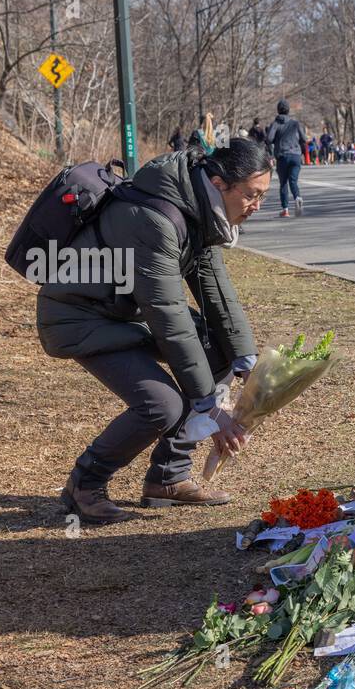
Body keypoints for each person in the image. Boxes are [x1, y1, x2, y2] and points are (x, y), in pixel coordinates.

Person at [36, 138, 273, 523]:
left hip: (124, 312)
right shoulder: (154, 217)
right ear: (219, 184)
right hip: (79, 316)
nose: (256, 206)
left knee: (220, 352)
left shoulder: (198, 207)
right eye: (251, 195)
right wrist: (210, 408)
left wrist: (246, 359)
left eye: (262, 196)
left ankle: (168, 479)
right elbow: (168, 313)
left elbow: (216, 291)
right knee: (162, 406)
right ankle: (85, 484)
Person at [264, 98, 308, 217]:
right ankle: (297, 197)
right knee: (293, 181)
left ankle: (285, 210)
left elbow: (268, 139)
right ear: (288, 110)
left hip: (282, 156)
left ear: (278, 110)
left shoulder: (275, 124)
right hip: (295, 156)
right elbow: (304, 139)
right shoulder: (295, 124)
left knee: (283, 183)